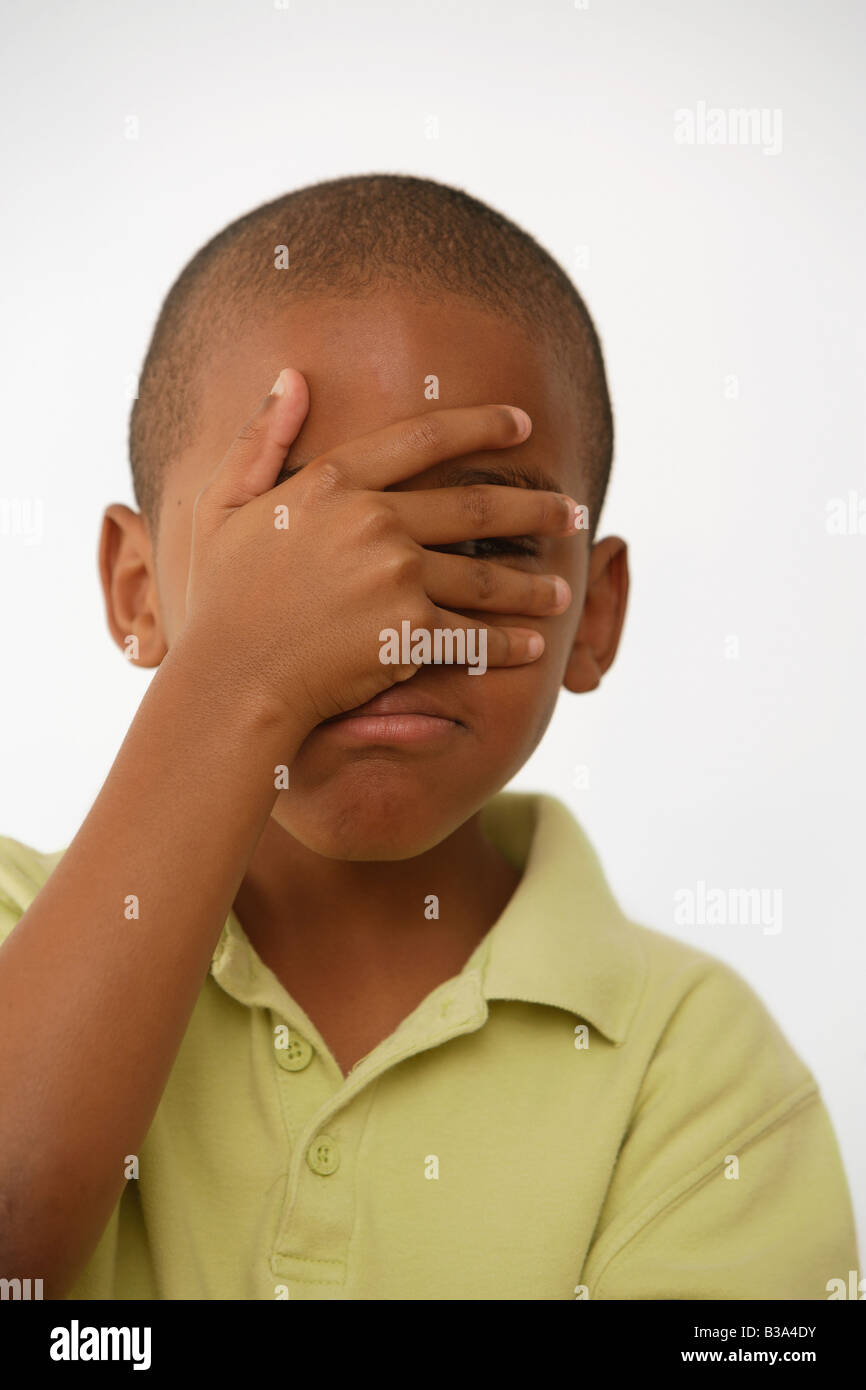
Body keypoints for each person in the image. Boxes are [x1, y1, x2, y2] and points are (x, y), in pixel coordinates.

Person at [0, 174, 856, 1300]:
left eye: (485, 543)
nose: (391, 629)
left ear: (591, 615)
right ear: (136, 589)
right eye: (289, 544)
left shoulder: (692, 1060)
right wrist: (235, 682)